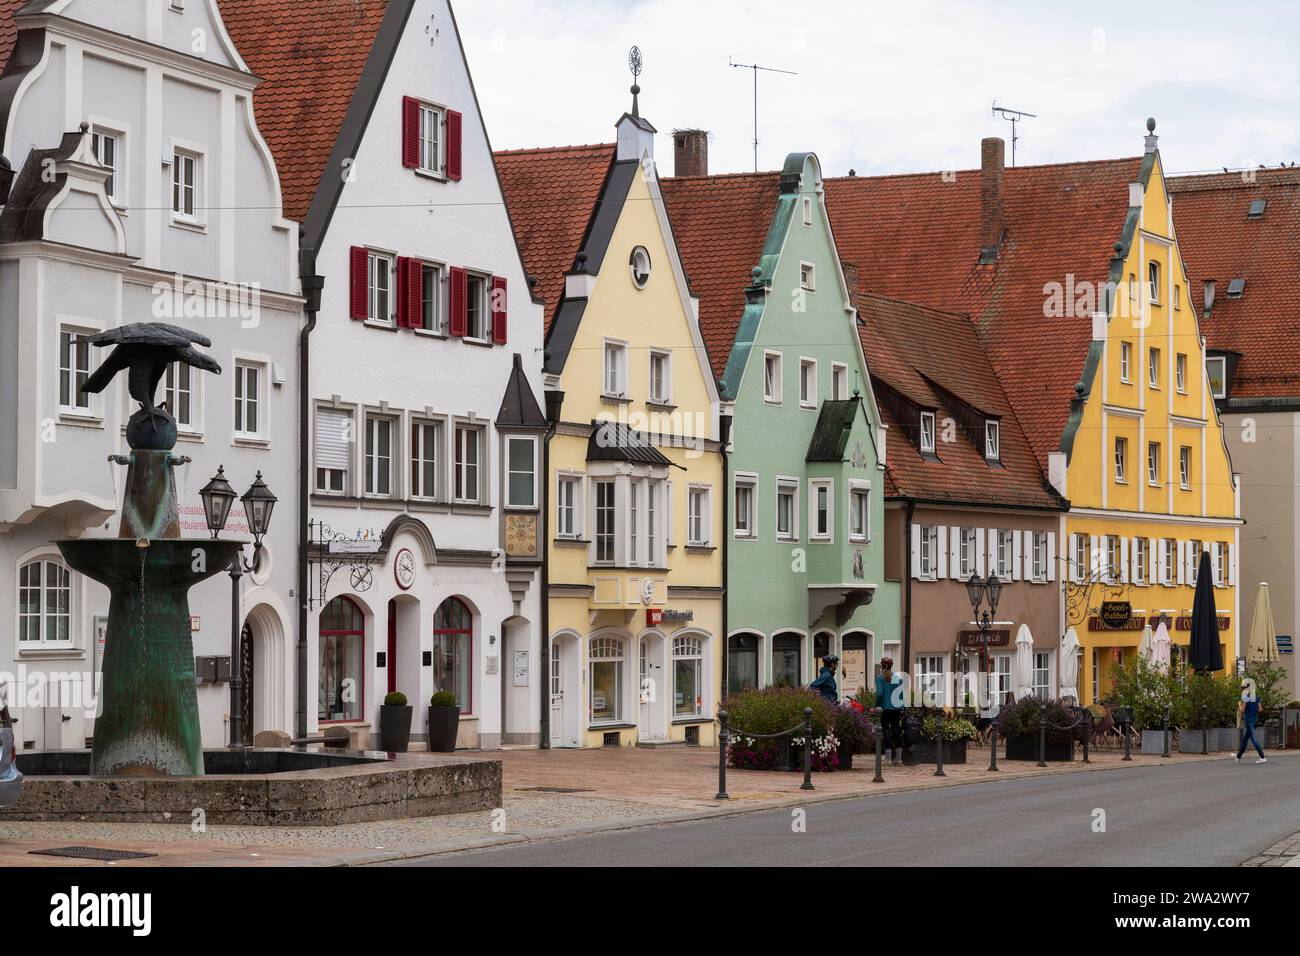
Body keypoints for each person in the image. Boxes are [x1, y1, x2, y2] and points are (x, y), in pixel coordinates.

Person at [873, 657, 905, 765]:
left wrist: (877, 706)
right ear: (892, 666)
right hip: (896, 709)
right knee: (896, 730)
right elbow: (901, 695)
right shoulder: (897, 678)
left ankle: (888, 759)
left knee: (886, 731)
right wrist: (901, 707)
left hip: (885, 708)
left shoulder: (880, 678)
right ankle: (899, 758)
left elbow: (880, 694)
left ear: (882, 666)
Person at [1234, 680, 1266, 763]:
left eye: (1244, 687)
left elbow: (1242, 710)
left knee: (1254, 740)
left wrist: (1239, 705)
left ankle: (1262, 757)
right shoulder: (1257, 697)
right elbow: (1260, 709)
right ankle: (1238, 757)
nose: (1243, 689)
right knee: (1244, 740)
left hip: (1249, 721)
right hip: (1255, 720)